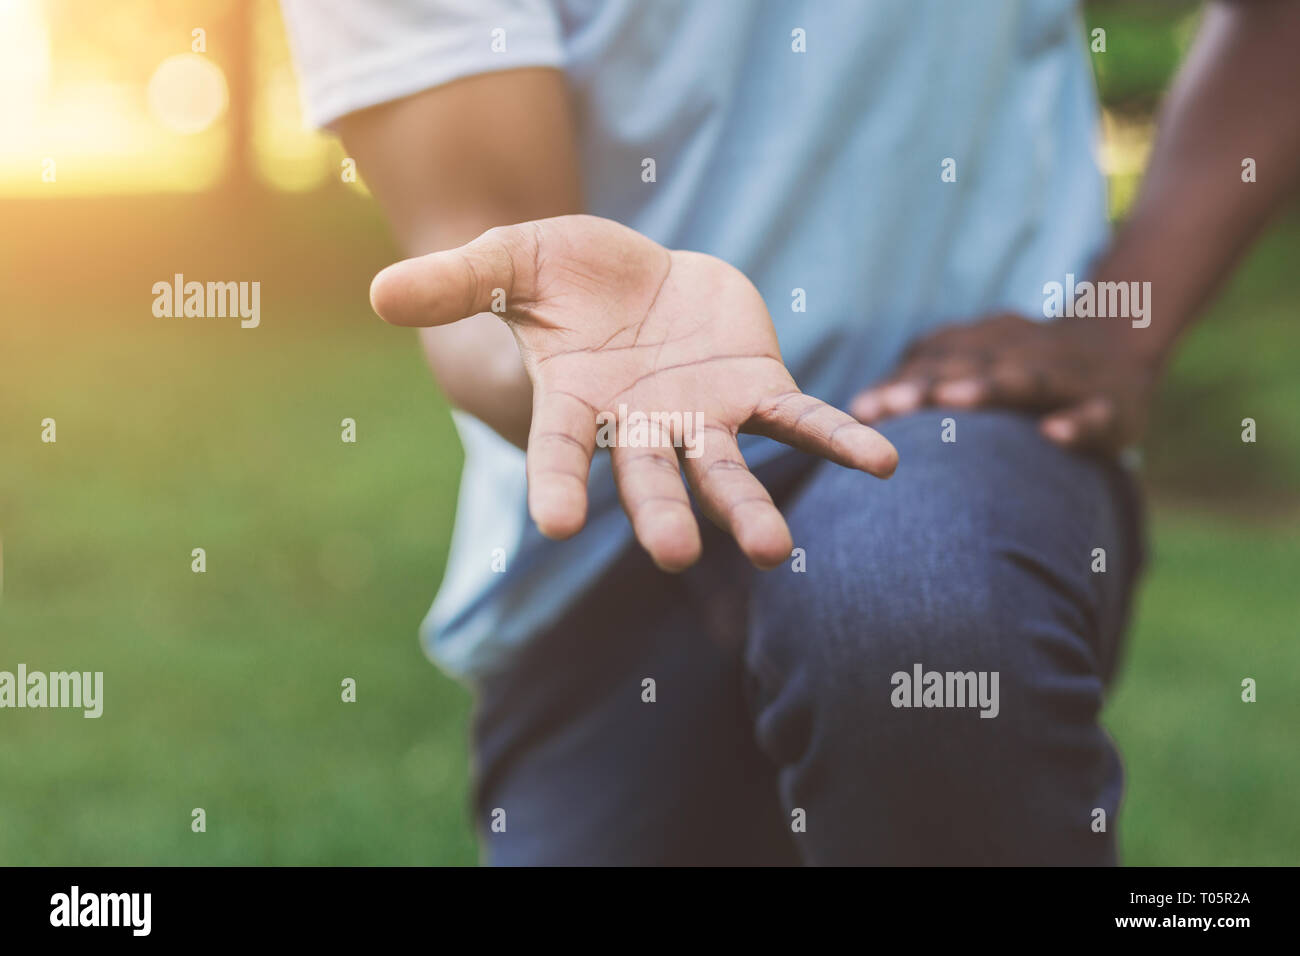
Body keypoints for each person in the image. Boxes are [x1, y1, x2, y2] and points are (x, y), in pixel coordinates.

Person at [281, 0, 1300, 864]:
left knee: (912, 624)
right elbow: (477, 247)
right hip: (615, 538)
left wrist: (1123, 322)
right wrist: (580, 355)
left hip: (957, 419)